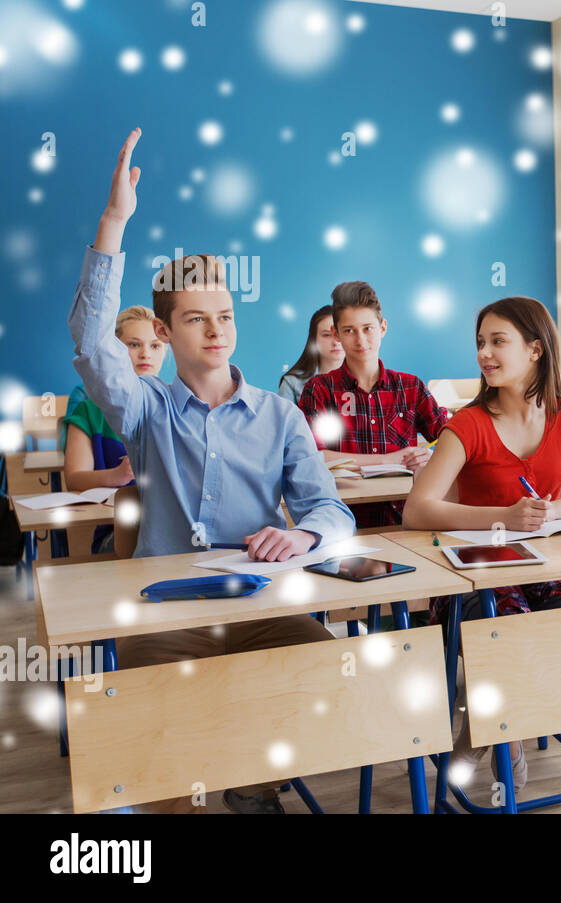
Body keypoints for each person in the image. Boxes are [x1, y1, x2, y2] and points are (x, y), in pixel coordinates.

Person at [70, 129, 356, 814]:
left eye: (225, 315)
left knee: (338, 671)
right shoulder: (146, 408)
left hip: (261, 606)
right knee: (158, 763)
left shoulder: (278, 415)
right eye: (197, 319)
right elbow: (88, 342)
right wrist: (115, 224)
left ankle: (255, 780)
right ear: (166, 335)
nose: (217, 330)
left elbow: (331, 509)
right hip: (167, 614)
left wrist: (305, 537)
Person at [403, 297, 561, 791]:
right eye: (480, 343)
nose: (484, 353)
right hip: (475, 577)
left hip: (541, 567)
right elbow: (417, 510)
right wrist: (503, 519)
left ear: (535, 349)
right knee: (509, 633)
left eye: (498, 341)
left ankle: (487, 727)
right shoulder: (466, 425)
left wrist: (558, 509)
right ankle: (505, 735)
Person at [298, 282, 449, 527]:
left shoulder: (410, 387)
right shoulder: (319, 390)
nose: (361, 340)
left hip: (404, 519)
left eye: (368, 328)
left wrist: (427, 455)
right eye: (349, 331)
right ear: (336, 334)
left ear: (383, 327)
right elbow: (314, 456)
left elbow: (451, 439)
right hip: (341, 520)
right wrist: (391, 459)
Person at [63, 305, 168, 554]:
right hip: (118, 534)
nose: (146, 354)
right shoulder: (88, 412)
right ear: (114, 352)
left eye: (155, 346)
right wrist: (118, 475)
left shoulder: (178, 407)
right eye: (133, 345)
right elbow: (74, 477)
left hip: (175, 533)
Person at [278, 305, 345, 405]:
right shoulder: (292, 383)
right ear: (314, 340)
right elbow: (280, 420)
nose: (335, 342)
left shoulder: (368, 380)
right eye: (326, 335)